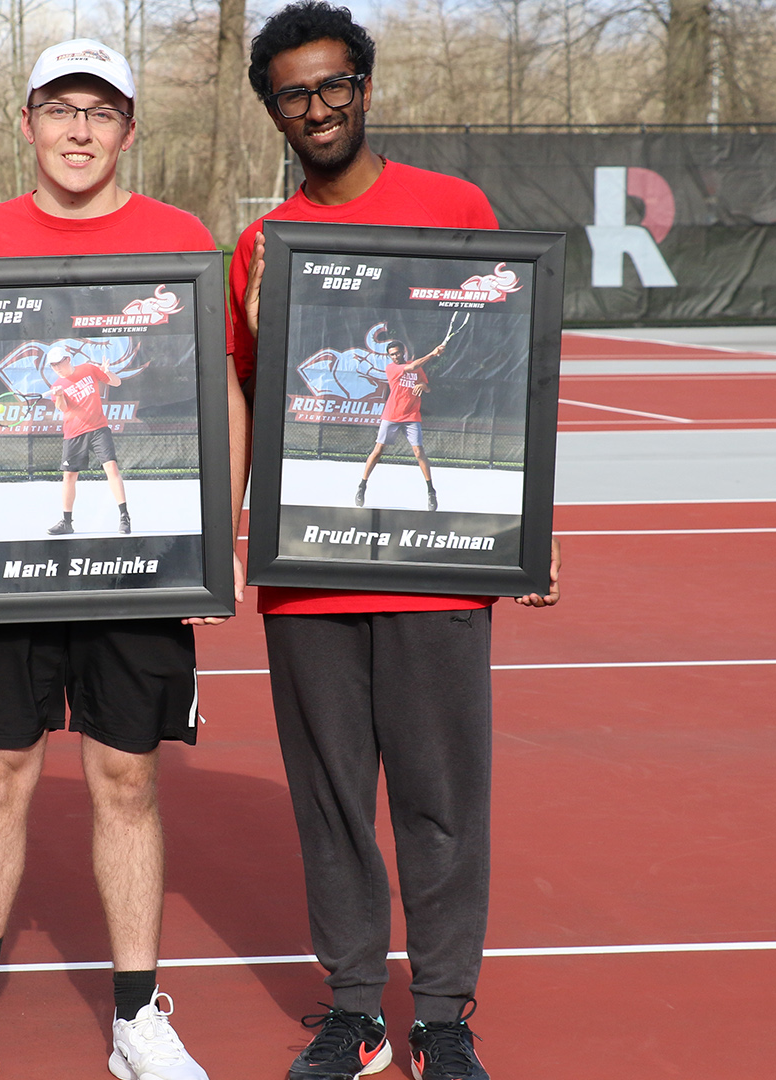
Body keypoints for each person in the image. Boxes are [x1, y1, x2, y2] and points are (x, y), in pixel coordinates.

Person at [229, 6, 562, 1080]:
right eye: (293, 93)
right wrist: (224, 536)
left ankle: (445, 1014)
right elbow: (243, 392)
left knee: (440, 794)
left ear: (364, 88)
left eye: (333, 86)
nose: (317, 108)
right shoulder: (261, 246)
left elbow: (508, 369)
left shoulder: (454, 209)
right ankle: (357, 1011)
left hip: (438, 568)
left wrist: (525, 529)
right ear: (271, 109)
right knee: (332, 801)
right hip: (308, 573)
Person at [0, 37, 243, 1080]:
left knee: (124, 780)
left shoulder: (179, 238)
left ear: (129, 129)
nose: (81, 130)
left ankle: (138, 1018)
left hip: (143, 571)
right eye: (61, 108)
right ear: (28, 123)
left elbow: (220, 388)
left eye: (101, 111)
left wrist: (213, 539)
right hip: (4, 574)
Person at [44, 339, 130, 535]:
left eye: (59, 363)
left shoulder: (89, 369)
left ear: (68, 359)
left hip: (99, 429)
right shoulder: (57, 385)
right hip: (74, 434)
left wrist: (108, 373)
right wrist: (59, 395)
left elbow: (116, 382)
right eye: (53, 365)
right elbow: (63, 408)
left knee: (111, 466)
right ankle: (67, 523)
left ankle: (124, 517)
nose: (57, 368)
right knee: (69, 477)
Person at [355, 336, 441, 511]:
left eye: (397, 353)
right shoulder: (392, 368)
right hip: (392, 415)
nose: (394, 357)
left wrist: (424, 387)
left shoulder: (416, 368)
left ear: (403, 352)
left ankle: (431, 491)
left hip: (411, 416)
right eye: (391, 355)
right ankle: (362, 486)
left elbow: (427, 386)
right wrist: (433, 354)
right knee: (378, 451)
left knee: (419, 452)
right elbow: (412, 367)